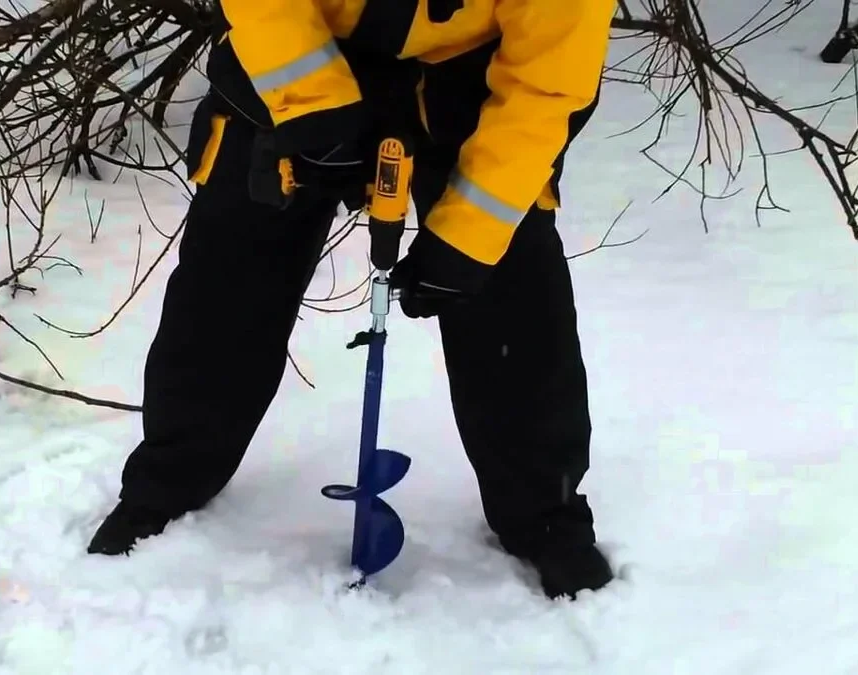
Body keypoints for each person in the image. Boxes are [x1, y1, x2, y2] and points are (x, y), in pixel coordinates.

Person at [87, 0, 618, 601]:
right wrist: (313, 105)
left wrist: (471, 237)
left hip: (475, 77)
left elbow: (546, 85)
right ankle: (168, 482)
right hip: (297, 43)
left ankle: (545, 516)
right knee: (227, 284)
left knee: (514, 293)